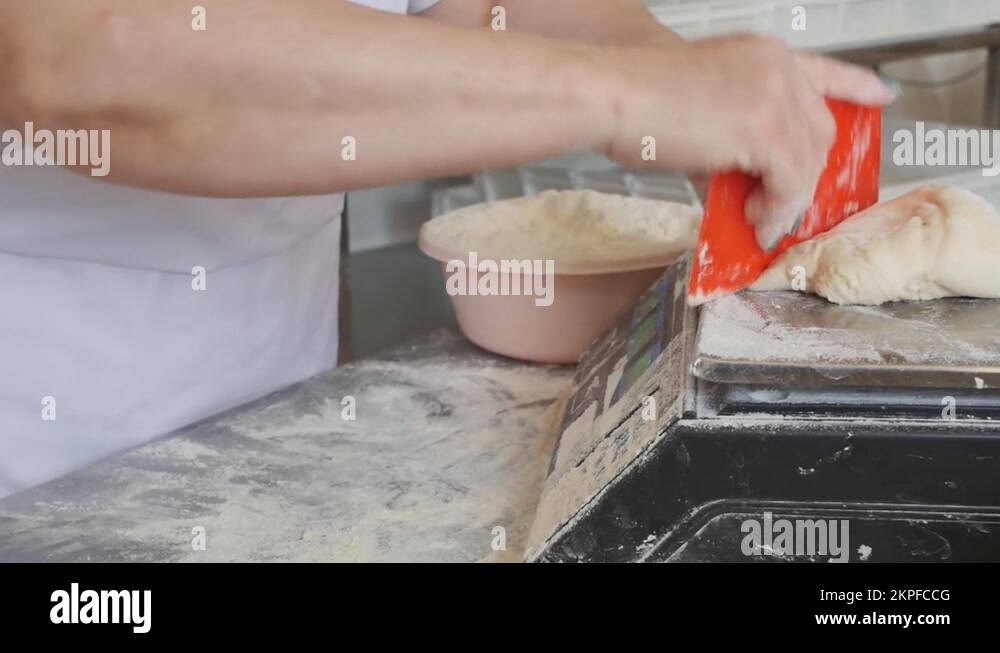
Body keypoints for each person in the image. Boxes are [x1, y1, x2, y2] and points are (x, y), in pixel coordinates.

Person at [0, 0, 894, 497]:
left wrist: (697, 84)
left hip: (269, 423)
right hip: (40, 453)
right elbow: (77, 61)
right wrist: (627, 96)